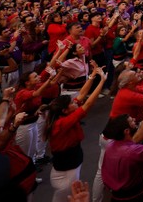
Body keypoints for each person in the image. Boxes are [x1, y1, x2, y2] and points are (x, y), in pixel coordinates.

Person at [45, 64, 106, 202]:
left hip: (70, 162)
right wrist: (102, 81)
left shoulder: (64, 115)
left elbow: (82, 94)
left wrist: (93, 75)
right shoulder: (62, 123)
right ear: (65, 110)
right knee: (64, 197)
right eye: (72, 103)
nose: (75, 102)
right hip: (67, 167)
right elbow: (88, 104)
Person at [101, 105, 143, 202]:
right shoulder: (133, 152)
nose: (134, 119)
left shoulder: (112, 144)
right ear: (126, 131)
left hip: (116, 196)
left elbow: (135, 139)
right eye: (131, 121)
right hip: (133, 196)